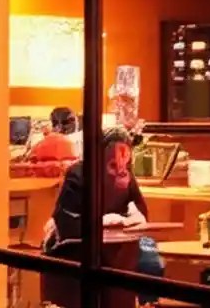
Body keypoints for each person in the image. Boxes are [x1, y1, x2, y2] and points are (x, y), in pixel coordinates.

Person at [42, 128, 152, 308]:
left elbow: (141, 210)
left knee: (148, 261)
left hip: (118, 248)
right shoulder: (78, 174)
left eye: (125, 165)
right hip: (77, 250)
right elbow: (66, 222)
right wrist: (101, 222)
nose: (121, 173)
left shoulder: (128, 177)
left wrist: (134, 217)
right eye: (113, 166)